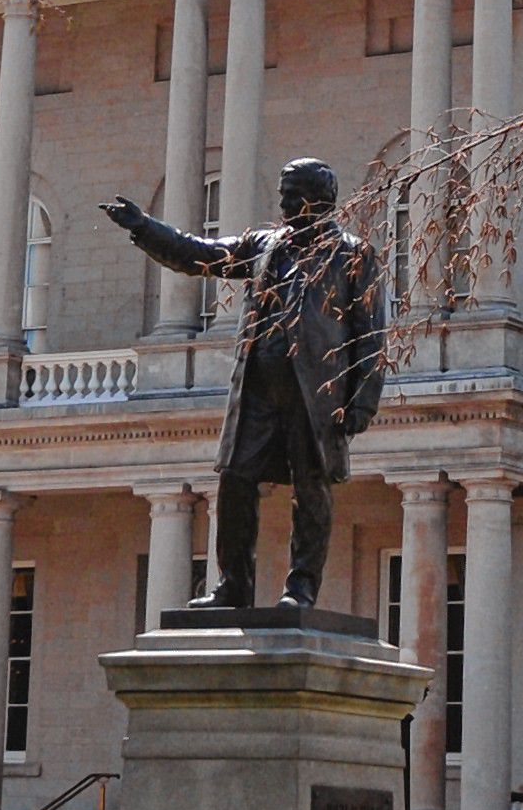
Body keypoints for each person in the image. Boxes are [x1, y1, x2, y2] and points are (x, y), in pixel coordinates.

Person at [102, 157, 387, 611]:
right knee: (235, 478)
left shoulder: (352, 255)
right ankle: (234, 585)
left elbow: (370, 335)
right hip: (258, 386)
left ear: (320, 199)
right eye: (283, 193)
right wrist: (145, 227)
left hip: (313, 392)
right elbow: (201, 255)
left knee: (311, 487)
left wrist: (360, 404)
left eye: (293, 194)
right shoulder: (265, 245)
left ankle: (301, 589)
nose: (283, 202)